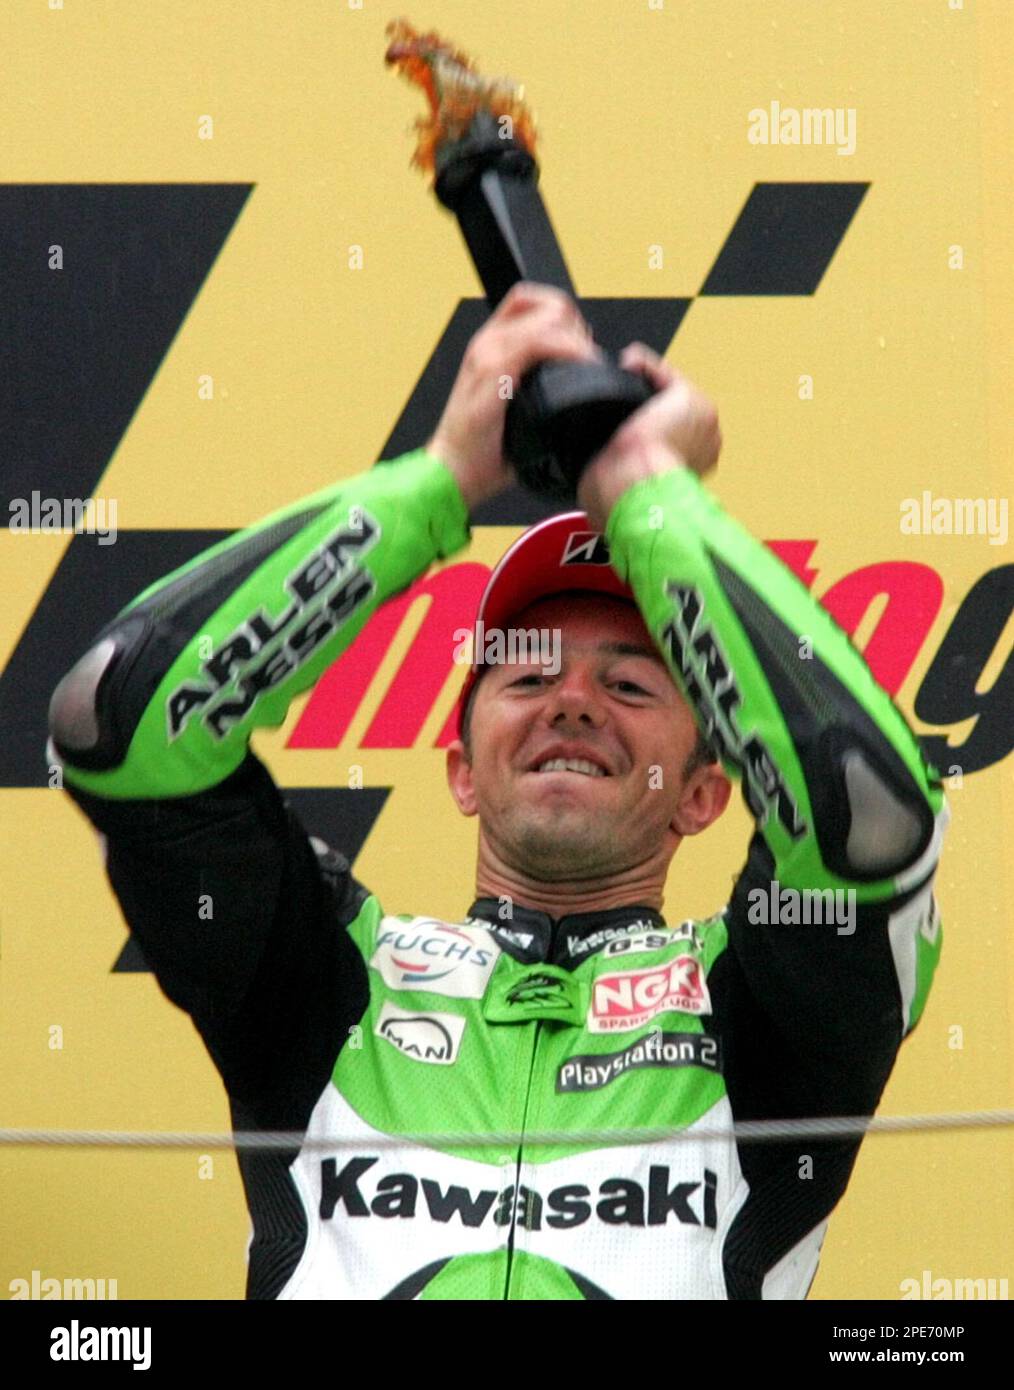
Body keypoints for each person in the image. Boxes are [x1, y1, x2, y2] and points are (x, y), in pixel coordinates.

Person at [48, 283, 947, 1301]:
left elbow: (865, 812)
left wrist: (654, 497)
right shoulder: (330, 978)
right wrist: (443, 480)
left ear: (706, 790)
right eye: (525, 676)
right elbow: (115, 716)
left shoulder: (759, 1009)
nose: (570, 701)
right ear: (462, 771)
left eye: (629, 683)